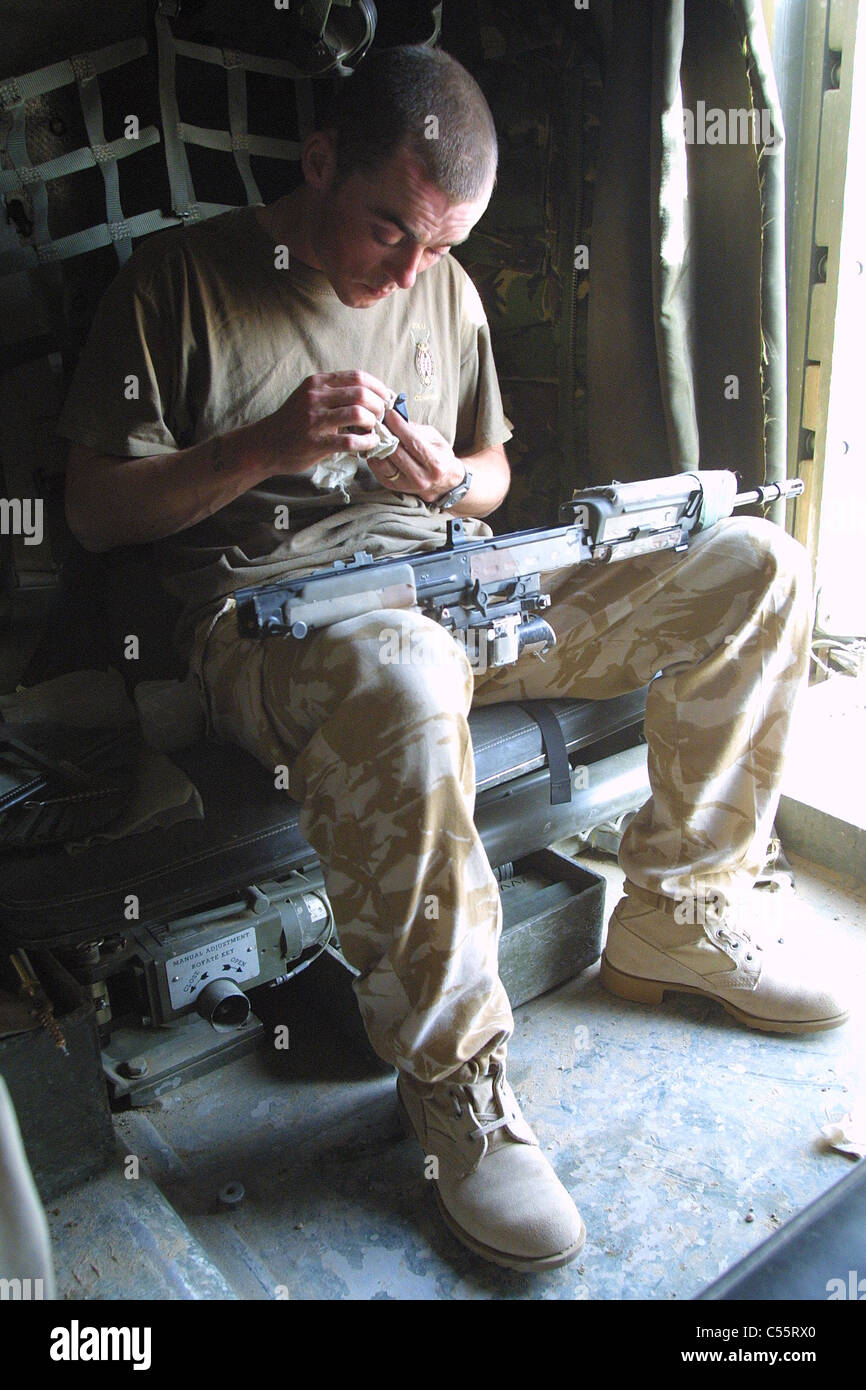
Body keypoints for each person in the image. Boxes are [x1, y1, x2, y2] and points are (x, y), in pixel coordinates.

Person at [59, 44, 847, 1274]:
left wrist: (448, 482)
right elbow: (97, 512)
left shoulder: (441, 284)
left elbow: (491, 473)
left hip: (460, 584)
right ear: (320, 161)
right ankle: (456, 1086)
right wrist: (263, 446)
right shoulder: (177, 283)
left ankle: (679, 911)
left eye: (441, 245)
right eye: (391, 230)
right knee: (406, 669)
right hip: (277, 623)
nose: (411, 272)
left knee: (756, 565)